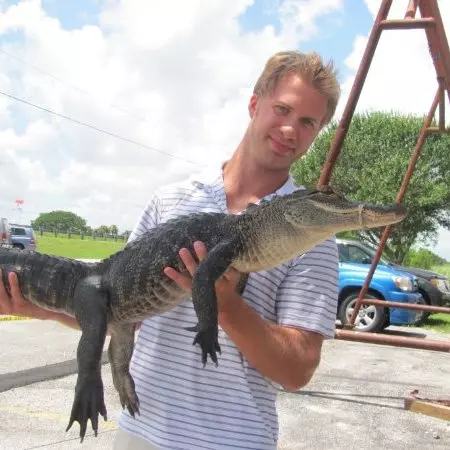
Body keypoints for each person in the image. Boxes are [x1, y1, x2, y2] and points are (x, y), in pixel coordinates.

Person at [0, 50, 341, 449]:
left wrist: (226, 305)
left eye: (307, 122)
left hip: (233, 440)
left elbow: (297, 371)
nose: (290, 130)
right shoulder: (171, 200)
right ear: (254, 104)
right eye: (282, 109)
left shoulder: (314, 234)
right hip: (139, 433)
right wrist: (36, 306)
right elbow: (120, 310)